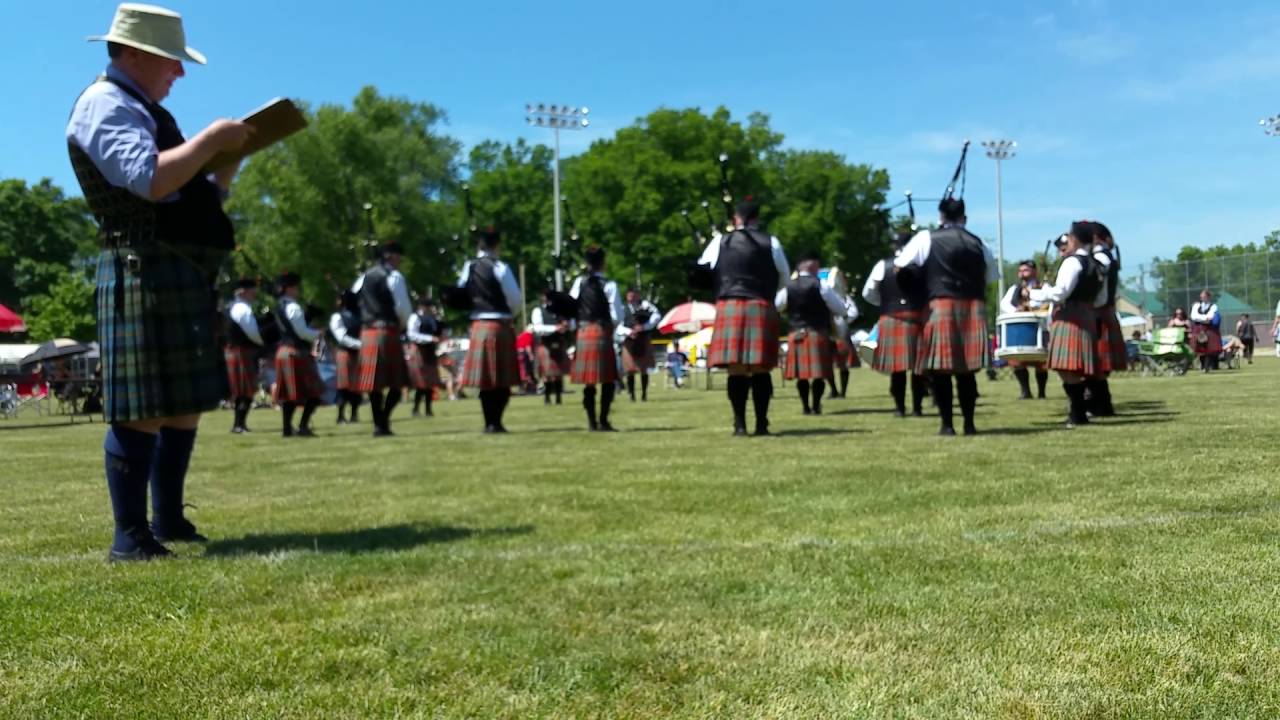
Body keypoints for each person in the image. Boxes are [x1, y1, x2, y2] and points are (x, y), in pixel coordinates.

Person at [68, 4, 254, 560]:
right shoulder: (104, 104)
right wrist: (211, 138)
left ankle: (166, 519)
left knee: (182, 402)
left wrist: (227, 164)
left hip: (171, 266)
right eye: (172, 60)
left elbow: (190, 201)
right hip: (139, 266)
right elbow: (148, 179)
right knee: (143, 405)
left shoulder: (143, 108)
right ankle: (130, 537)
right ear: (137, 54)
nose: (179, 72)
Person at [893, 198, 998, 436]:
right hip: (973, 305)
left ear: (941, 216)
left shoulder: (926, 237)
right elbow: (992, 277)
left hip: (940, 304)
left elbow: (900, 267)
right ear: (964, 217)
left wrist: (917, 288)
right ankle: (969, 424)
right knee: (967, 370)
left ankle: (947, 425)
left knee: (941, 370)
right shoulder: (978, 243)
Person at [697, 197, 791, 436]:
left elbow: (701, 271)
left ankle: (739, 425)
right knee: (761, 368)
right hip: (761, 304)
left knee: (736, 369)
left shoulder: (720, 241)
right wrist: (770, 297)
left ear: (734, 218)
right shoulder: (772, 242)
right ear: (757, 218)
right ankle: (762, 424)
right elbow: (785, 278)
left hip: (729, 306)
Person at [1027, 226, 1104, 428]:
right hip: (1086, 314)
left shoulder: (1072, 262)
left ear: (1076, 240)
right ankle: (1079, 412)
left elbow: (1060, 292)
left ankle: (1077, 413)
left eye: (1069, 238)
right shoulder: (1095, 263)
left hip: (1070, 314)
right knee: (1072, 368)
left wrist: (1035, 294)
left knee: (1067, 367)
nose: (1066, 242)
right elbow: (1101, 297)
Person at [458, 228, 523, 433]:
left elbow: (461, 294)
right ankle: (496, 422)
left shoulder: (468, 267)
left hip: (478, 325)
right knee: (502, 379)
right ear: (496, 245)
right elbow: (515, 300)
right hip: (499, 324)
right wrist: (507, 313)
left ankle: (489, 423)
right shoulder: (500, 267)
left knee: (485, 381)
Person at [865, 232, 931, 416]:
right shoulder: (923, 266)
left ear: (894, 245)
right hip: (917, 317)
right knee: (918, 368)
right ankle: (917, 409)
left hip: (891, 318)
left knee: (897, 368)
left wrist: (885, 303)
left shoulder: (882, 265)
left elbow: (868, 293)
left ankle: (900, 409)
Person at [352, 242, 412, 436]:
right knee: (397, 382)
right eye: (398, 256)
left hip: (367, 332)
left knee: (373, 384)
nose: (400, 260)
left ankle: (379, 423)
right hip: (387, 330)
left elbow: (351, 301)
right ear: (390, 257)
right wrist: (401, 326)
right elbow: (403, 309)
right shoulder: (394, 277)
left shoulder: (364, 277)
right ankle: (383, 420)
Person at [777, 252, 847, 415]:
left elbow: (777, 306)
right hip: (817, 332)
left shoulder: (788, 287)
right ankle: (815, 406)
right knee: (819, 374)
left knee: (802, 376)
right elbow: (840, 308)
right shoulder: (821, 285)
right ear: (812, 265)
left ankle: (805, 407)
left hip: (796, 333)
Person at [570, 246, 624, 431]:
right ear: (603, 262)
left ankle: (592, 422)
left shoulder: (579, 283)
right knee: (608, 379)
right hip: (602, 331)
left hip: (584, 332)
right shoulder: (610, 285)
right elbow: (617, 316)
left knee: (589, 381)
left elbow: (572, 308)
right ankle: (604, 420)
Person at [272, 272, 323, 437]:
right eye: (296, 287)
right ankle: (302, 426)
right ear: (289, 288)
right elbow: (301, 332)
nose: (298, 290)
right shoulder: (293, 306)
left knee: (289, 395)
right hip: (296, 352)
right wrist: (318, 333)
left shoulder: (279, 305)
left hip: (283, 352)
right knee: (314, 393)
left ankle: (287, 429)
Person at [1085, 222, 1125, 416]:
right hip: (1102, 311)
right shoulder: (1103, 256)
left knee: (1096, 362)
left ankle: (1097, 404)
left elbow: (1097, 287)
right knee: (1096, 362)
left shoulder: (1100, 257)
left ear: (1096, 238)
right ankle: (1101, 404)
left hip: (1098, 311)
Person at [998, 260, 1050, 400]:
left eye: (1025, 270)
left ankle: (1041, 393)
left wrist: (1033, 306)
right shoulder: (1014, 288)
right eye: (1020, 271)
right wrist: (1016, 310)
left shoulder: (1044, 286)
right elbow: (1004, 303)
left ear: (1034, 271)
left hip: (1039, 327)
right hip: (1020, 329)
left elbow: (1049, 302)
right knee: (1018, 361)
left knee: (1041, 362)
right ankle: (1025, 391)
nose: (1022, 273)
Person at [224, 278, 263, 433]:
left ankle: (239, 424)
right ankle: (239, 425)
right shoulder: (242, 309)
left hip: (236, 351)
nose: (254, 294)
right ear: (243, 292)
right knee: (245, 391)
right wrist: (262, 341)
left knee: (242, 391)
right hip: (241, 351)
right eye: (252, 290)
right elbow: (252, 333)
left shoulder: (234, 307)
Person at [530, 289, 573, 405]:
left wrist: (567, 325)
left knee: (558, 374)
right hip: (545, 343)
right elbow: (538, 328)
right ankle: (547, 398)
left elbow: (572, 325)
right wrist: (555, 328)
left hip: (559, 342)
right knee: (547, 374)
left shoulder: (560, 311)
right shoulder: (538, 311)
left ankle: (559, 398)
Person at [618, 288, 660, 402]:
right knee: (630, 370)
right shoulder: (622, 309)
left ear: (638, 295)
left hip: (643, 339)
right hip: (629, 341)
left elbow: (656, 317)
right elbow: (618, 325)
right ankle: (632, 395)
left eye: (633, 296)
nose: (631, 298)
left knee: (644, 369)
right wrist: (629, 331)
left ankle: (644, 395)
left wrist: (644, 327)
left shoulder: (646, 305)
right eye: (629, 296)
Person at [327, 292, 363, 424]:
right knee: (344, 386)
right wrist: (361, 344)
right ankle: (340, 415)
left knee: (358, 387)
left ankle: (354, 414)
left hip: (358, 354)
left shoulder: (359, 316)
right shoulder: (337, 317)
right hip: (345, 353)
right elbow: (341, 337)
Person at [406, 298, 442, 417]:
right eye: (428, 306)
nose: (431, 308)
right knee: (421, 383)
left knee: (430, 383)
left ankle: (428, 410)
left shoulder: (432, 319)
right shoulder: (414, 317)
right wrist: (429, 339)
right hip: (419, 351)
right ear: (422, 306)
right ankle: (416, 409)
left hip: (430, 352)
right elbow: (412, 334)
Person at [1189, 289, 1221, 372]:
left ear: (1208, 297)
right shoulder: (1196, 305)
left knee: (1208, 349)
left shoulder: (1213, 306)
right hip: (1198, 329)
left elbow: (1210, 317)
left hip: (1208, 329)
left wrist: (1202, 318)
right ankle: (1203, 366)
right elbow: (1194, 316)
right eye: (1201, 297)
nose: (1202, 298)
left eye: (1204, 296)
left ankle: (1207, 366)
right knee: (1199, 349)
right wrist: (1204, 318)